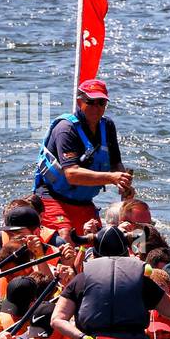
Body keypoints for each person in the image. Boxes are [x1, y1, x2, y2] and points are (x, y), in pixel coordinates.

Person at [34, 79, 135, 237]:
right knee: (65, 237)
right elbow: (72, 175)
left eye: (101, 103)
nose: (96, 108)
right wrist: (112, 178)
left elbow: (116, 164)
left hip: (84, 202)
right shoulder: (66, 129)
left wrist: (123, 183)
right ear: (79, 102)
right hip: (53, 198)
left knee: (102, 240)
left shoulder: (107, 126)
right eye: (91, 102)